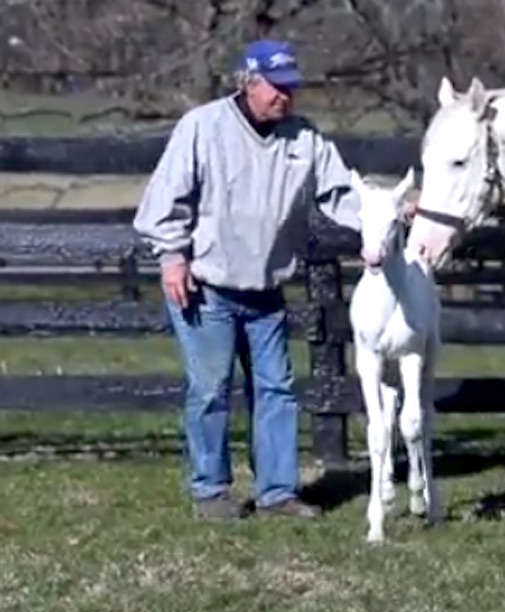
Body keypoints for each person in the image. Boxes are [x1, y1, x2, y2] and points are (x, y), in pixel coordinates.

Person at [132, 39, 364, 520]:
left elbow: (344, 195)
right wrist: (171, 256)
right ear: (249, 82)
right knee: (211, 390)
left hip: (267, 293)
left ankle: (278, 493)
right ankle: (210, 492)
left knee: (277, 390)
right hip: (206, 286)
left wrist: (390, 215)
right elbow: (166, 199)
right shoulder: (203, 127)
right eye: (276, 87)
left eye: (291, 89)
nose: (285, 97)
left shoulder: (304, 139)